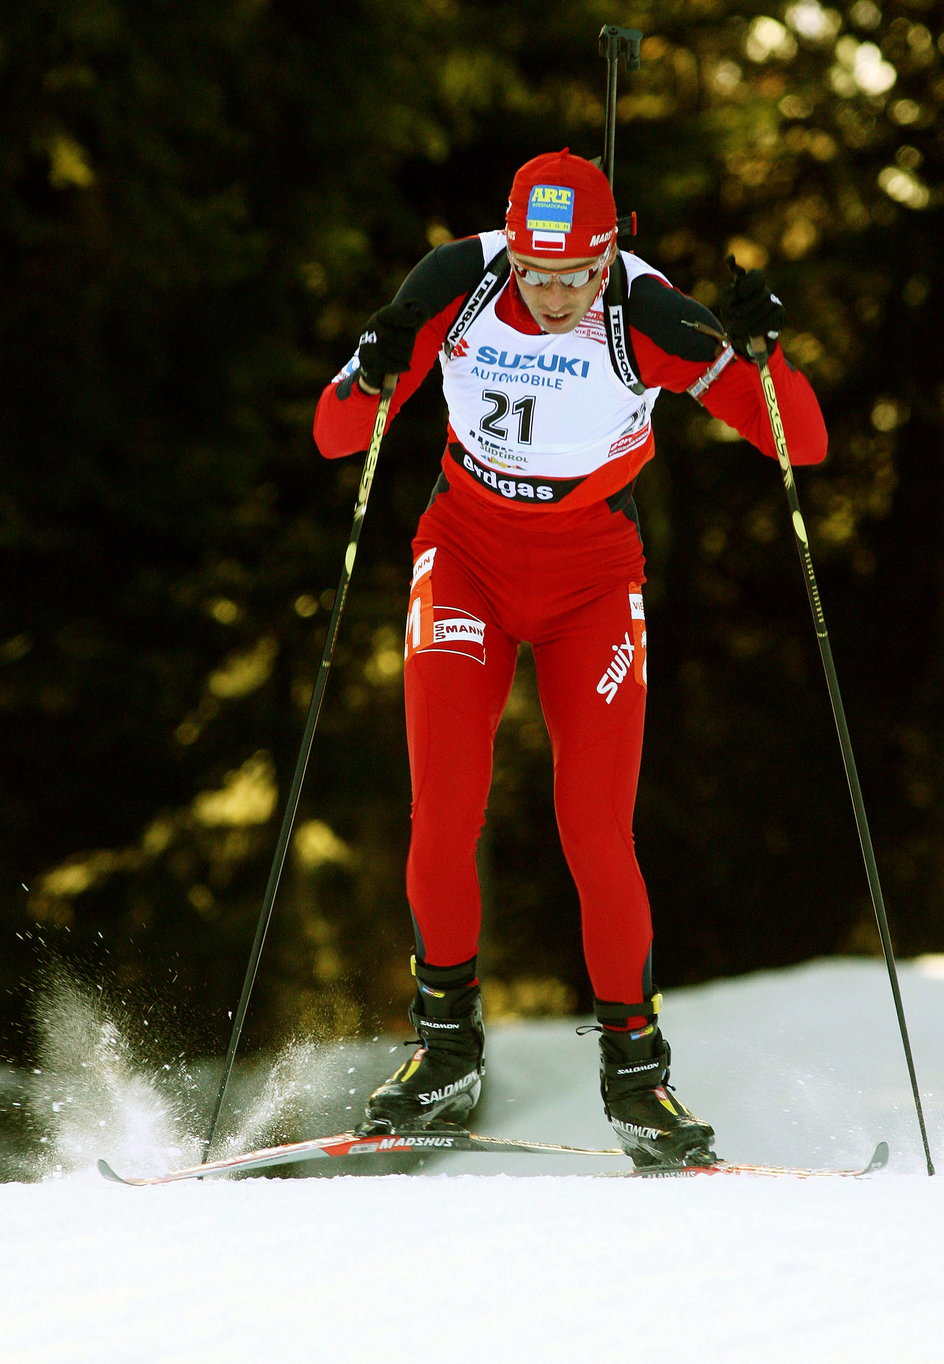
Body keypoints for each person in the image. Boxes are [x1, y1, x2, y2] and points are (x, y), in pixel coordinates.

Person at [313, 148, 827, 1167]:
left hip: (591, 575)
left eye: (576, 274)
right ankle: (444, 1049)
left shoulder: (645, 317)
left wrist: (766, 354)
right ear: (512, 248)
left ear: (608, 254)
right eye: (537, 272)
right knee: (445, 807)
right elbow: (337, 433)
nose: (553, 296)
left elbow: (798, 441)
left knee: (595, 826)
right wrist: (371, 360)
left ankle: (637, 1075)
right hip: (463, 555)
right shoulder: (459, 289)